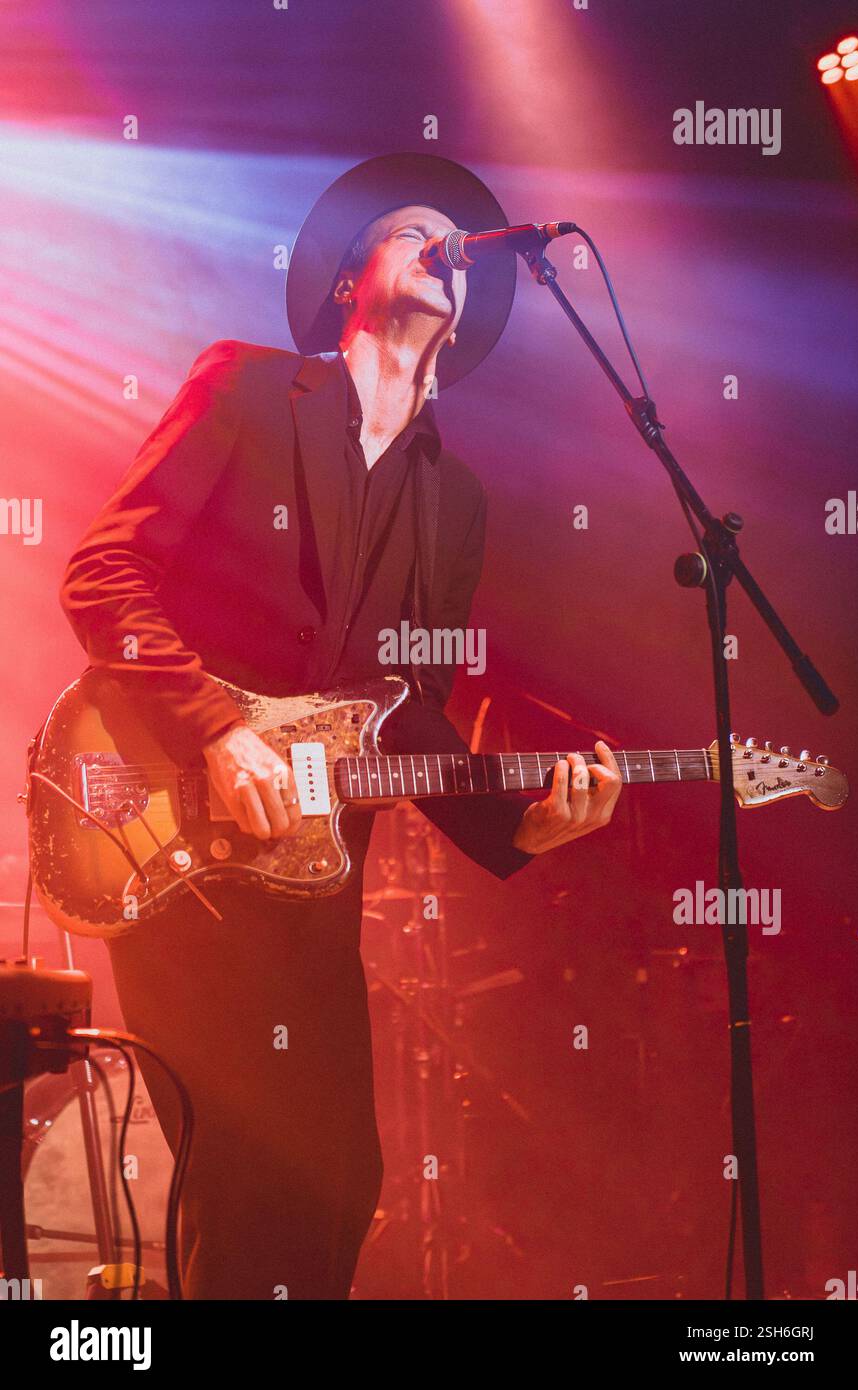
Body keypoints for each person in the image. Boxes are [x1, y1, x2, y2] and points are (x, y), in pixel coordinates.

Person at [60, 153, 622, 1299]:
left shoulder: (452, 501)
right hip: (172, 840)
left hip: (314, 877)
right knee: (257, 1168)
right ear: (347, 282)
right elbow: (104, 572)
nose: (441, 245)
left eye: (452, 241)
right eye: (411, 228)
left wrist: (523, 829)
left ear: (462, 323)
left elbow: (407, 719)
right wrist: (219, 727)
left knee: (340, 1178)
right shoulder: (250, 388)